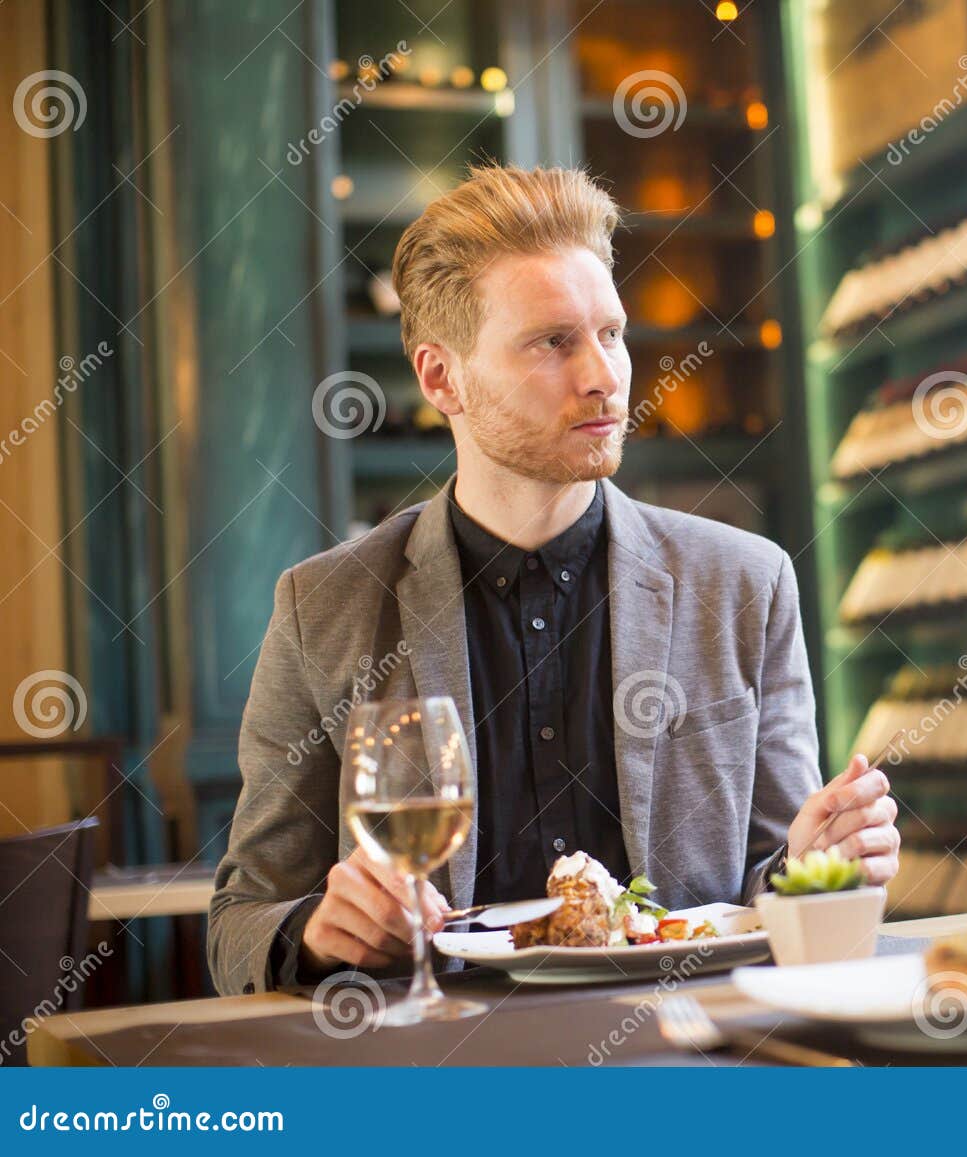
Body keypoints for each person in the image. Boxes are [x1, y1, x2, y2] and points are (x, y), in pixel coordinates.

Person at [207, 165, 900, 994]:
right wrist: (317, 933)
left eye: (611, 333)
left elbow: (766, 888)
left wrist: (815, 868)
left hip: (688, 1065)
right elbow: (240, 921)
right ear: (440, 378)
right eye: (553, 342)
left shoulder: (746, 584)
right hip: (441, 1078)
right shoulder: (321, 608)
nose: (603, 375)